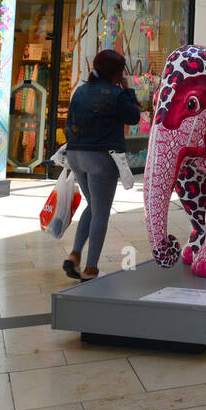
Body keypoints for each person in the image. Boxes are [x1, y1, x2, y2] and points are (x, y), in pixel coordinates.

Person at [62, 49, 141, 280]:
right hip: (101, 158)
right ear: (116, 72)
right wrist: (128, 89)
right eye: (122, 70)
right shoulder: (116, 94)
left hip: (76, 154)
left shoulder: (80, 90)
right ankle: (90, 268)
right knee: (101, 213)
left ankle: (74, 255)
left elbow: (70, 122)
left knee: (92, 205)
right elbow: (134, 117)